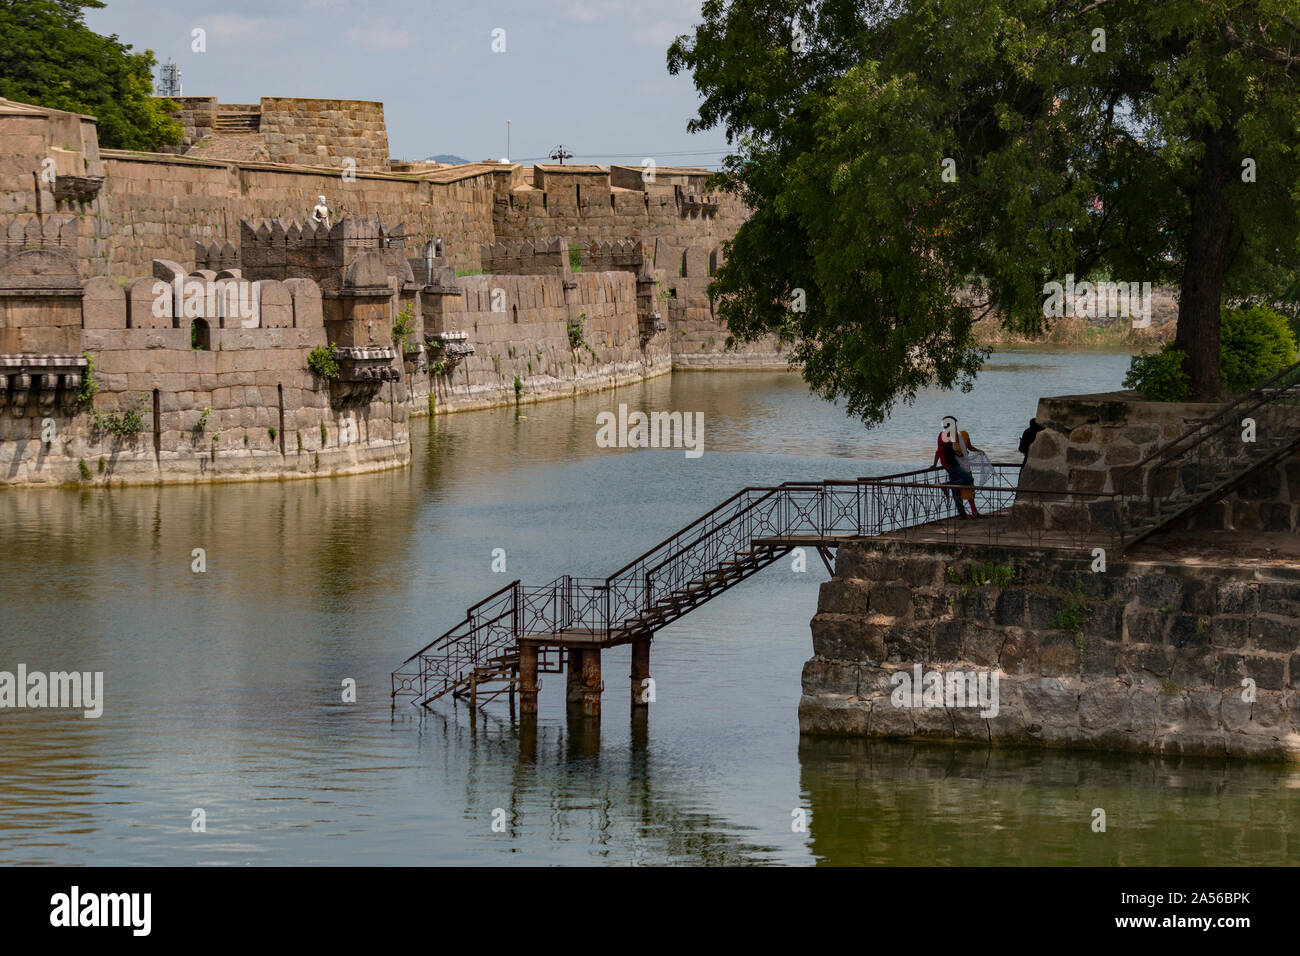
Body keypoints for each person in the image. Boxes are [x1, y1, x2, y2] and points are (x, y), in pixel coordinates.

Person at [934, 416, 979, 518]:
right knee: (968, 479)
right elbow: (939, 451)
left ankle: (962, 513)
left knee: (956, 489)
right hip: (950, 465)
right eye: (954, 424)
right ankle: (946, 485)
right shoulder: (944, 435)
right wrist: (934, 464)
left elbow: (951, 449)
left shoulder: (951, 435)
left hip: (954, 463)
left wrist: (958, 453)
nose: (956, 426)